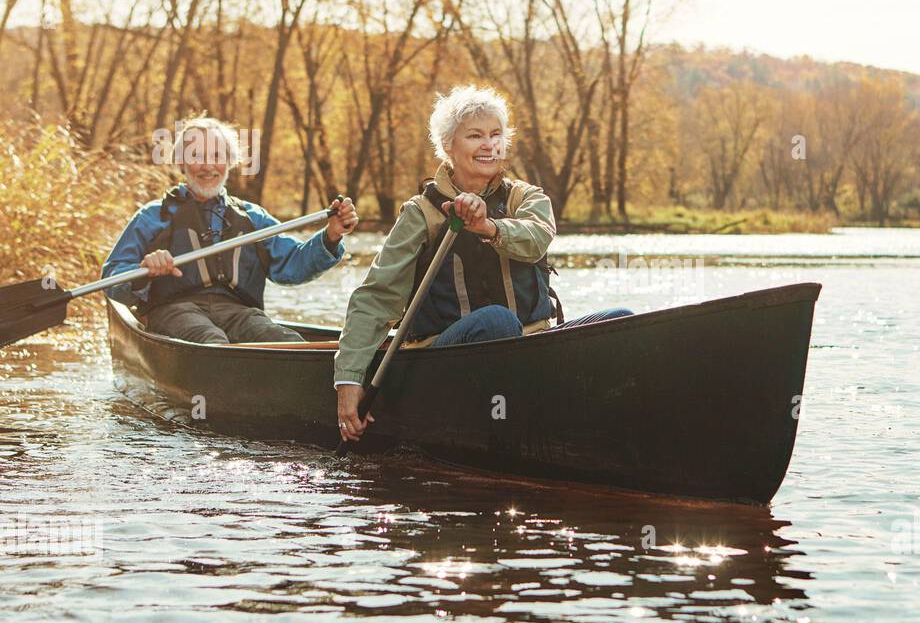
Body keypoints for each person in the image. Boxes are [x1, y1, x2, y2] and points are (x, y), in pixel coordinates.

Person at [335, 85, 632, 442]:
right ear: (448, 146)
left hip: (531, 346)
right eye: (475, 136)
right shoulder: (421, 213)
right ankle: (510, 427)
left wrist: (488, 227)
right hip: (445, 358)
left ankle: (597, 423)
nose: (489, 144)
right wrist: (349, 379)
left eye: (496, 135)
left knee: (621, 322)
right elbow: (376, 298)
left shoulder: (527, 197)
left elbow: (537, 237)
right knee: (497, 319)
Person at [102, 116, 359, 344]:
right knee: (210, 339)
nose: (208, 166)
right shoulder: (152, 217)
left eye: (216, 156)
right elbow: (112, 275)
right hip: (174, 310)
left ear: (230, 162)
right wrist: (142, 272)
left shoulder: (253, 218)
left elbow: (292, 265)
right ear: (181, 161)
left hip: (238, 312)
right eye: (197, 156)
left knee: (284, 340)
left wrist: (332, 235)